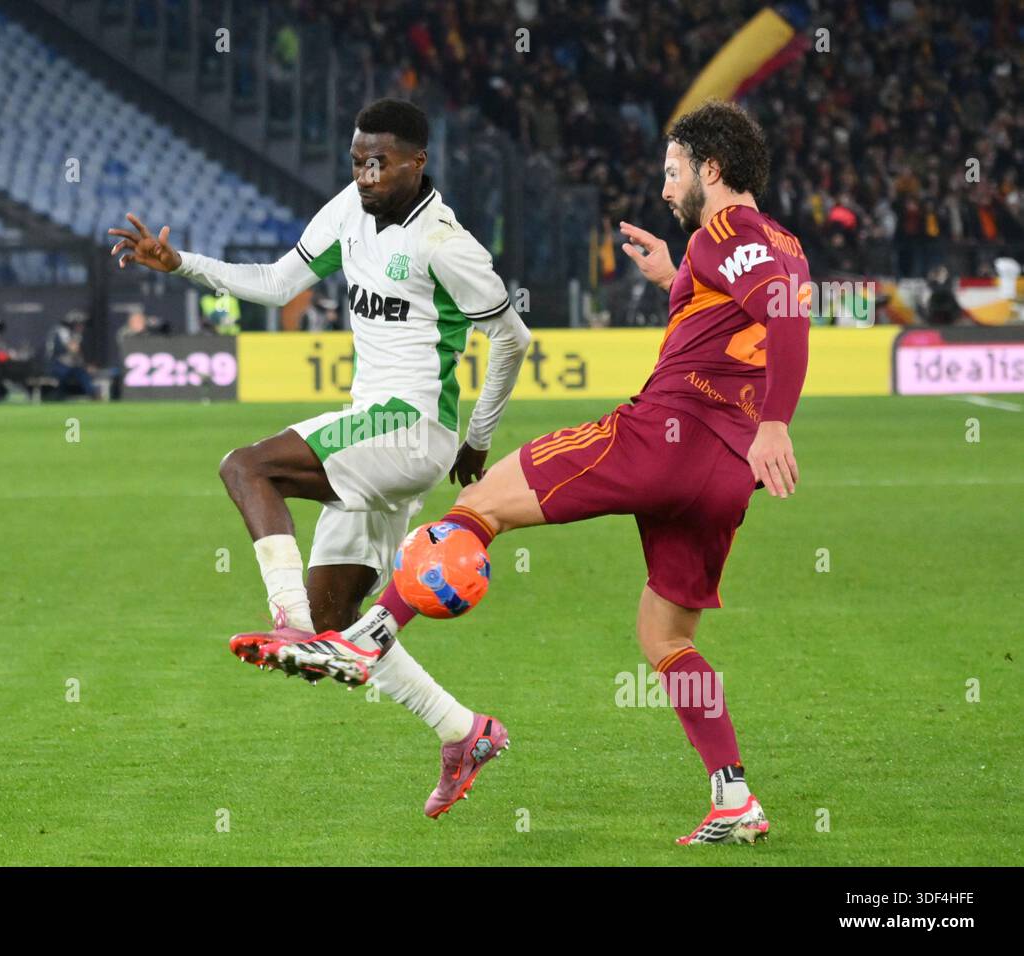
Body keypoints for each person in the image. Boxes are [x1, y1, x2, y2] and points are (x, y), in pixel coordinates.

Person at [240, 101, 812, 842]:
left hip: (667, 437)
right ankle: (733, 797)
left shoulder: (728, 230)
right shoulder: (776, 242)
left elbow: (783, 312)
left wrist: (778, 421)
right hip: (726, 473)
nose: (666, 191)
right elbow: (751, 313)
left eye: (673, 174)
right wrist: (677, 276)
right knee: (665, 638)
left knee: (481, 503)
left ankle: (367, 635)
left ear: (712, 169)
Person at [108, 97, 532, 816]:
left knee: (247, 466)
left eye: (380, 161)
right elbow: (278, 284)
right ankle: (463, 730)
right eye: (357, 160)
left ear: (417, 162)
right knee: (344, 630)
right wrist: (181, 264)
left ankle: (287, 623)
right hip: (374, 426)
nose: (366, 173)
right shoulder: (347, 210)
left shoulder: (445, 243)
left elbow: (513, 338)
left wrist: (481, 435)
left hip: (409, 427)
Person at [47, 315, 98, 399]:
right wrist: (72, 345)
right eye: (78, 325)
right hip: (61, 364)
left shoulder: (79, 335)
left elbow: (79, 353)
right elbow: (71, 348)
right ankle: (57, 395)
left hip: (75, 366)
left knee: (84, 376)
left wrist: (87, 365)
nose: (81, 327)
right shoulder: (62, 333)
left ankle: (93, 395)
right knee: (62, 375)